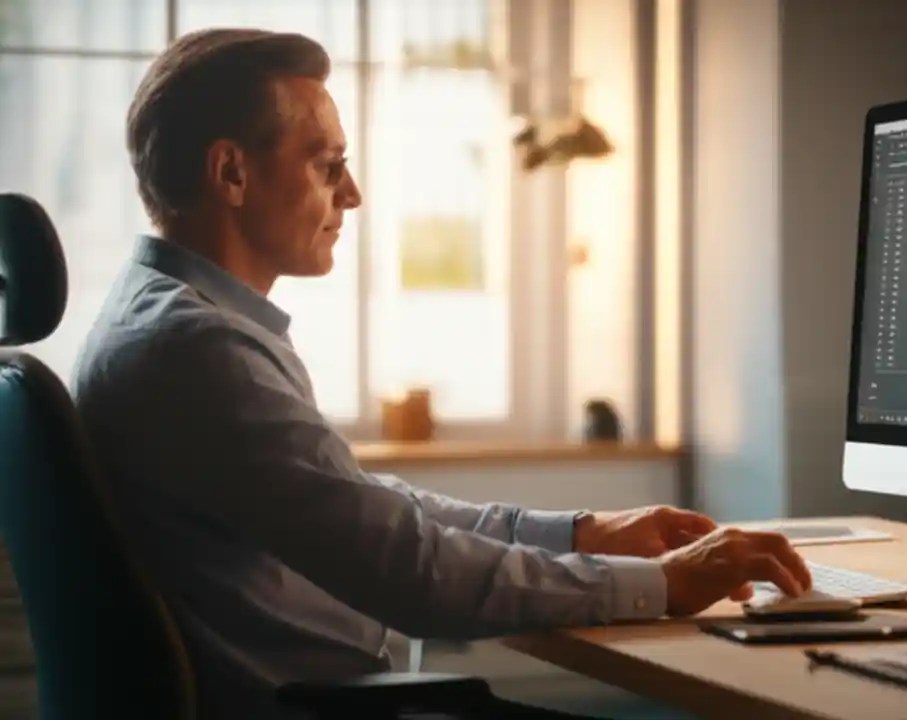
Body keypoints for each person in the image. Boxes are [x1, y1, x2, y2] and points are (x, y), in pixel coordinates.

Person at [70, 28, 811, 720]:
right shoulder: (197, 350)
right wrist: (666, 583)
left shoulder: (160, 319)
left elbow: (366, 511)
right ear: (231, 172)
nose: (351, 194)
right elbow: (411, 572)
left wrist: (583, 533)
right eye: (328, 164)